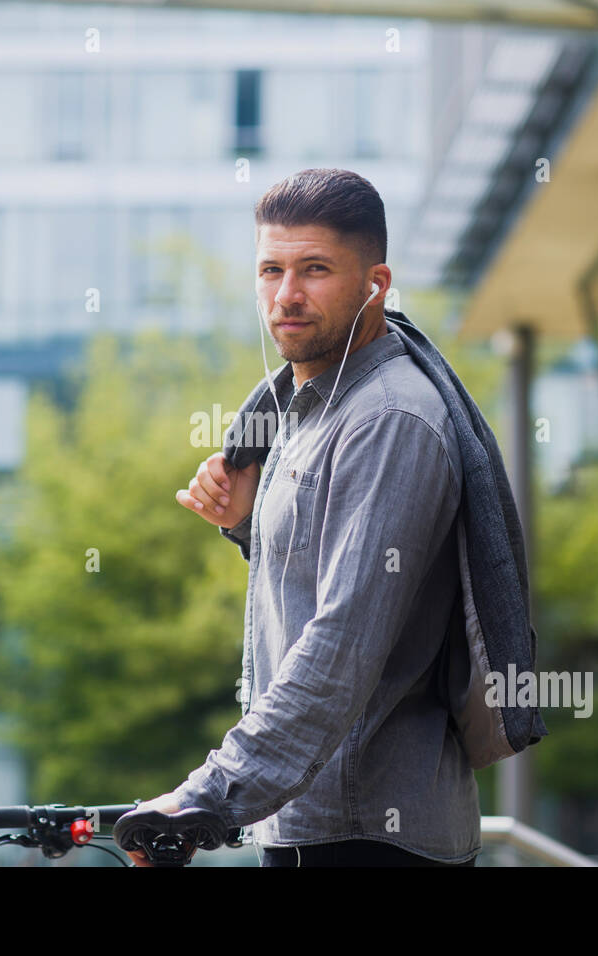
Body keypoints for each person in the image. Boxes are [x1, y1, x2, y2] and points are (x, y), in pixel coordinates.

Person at [128, 168, 479, 868]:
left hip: (371, 833)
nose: (286, 295)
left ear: (375, 284)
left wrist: (212, 792)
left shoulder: (390, 419)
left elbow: (343, 640)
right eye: (270, 270)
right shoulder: (310, 410)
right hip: (310, 819)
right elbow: (320, 584)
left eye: (314, 270)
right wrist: (246, 525)